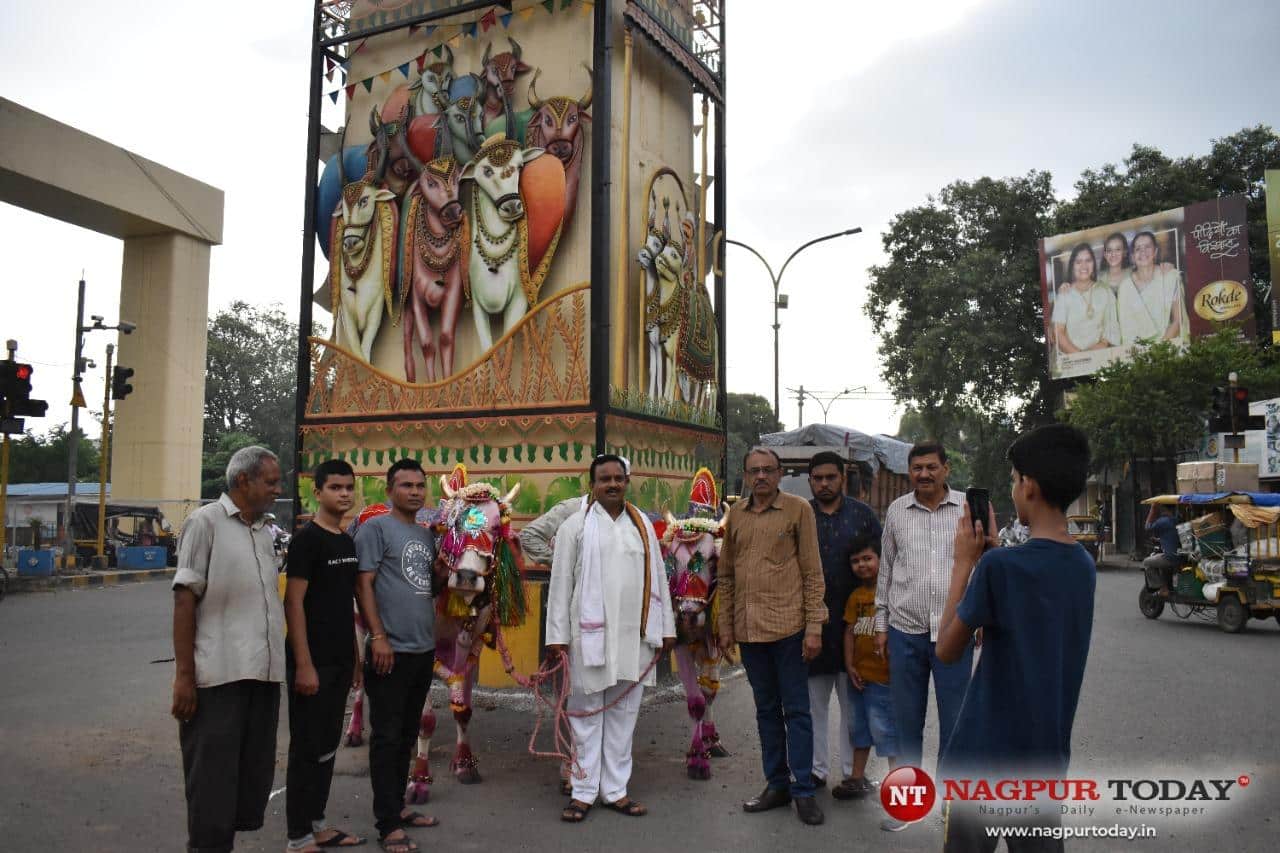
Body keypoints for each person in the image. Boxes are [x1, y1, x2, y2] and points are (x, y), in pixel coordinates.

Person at [937, 424, 1096, 851]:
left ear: (1029, 486)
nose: (1011, 489)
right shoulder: (1082, 564)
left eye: (1012, 479)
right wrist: (991, 559)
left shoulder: (998, 569)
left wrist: (963, 563)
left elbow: (948, 650)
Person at [545, 454, 676, 823]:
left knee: (623, 715)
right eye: (605, 479)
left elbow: (659, 580)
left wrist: (666, 627)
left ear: (627, 482)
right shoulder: (576, 527)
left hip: (633, 638)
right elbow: (560, 584)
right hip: (587, 639)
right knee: (586, 715)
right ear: (593, 484)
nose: (613, 484)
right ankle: (584, 790)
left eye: (619, 478)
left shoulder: (643, 527)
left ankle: (615, 791)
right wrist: (556, 636)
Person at [171, 446, 286, 853]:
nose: (278, 489)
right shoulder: (205, 523)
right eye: (270, 482)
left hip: (263, 675)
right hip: (218, 676)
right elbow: (185, 600)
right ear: (243, 481)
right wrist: (185, 677)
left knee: (248, 783)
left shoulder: (264, 530)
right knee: (212, 787)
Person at [718, 447, 828, 826]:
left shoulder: (799, 510)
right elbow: (727, 575)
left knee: (796, 710)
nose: (761, 477)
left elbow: (813, 573)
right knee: (766, 710)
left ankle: (803, 791)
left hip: (789, 630)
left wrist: (814, 626)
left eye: (768, 470)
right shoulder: (735, 515)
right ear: (746, 476)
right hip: (750, 631)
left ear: (780, 473)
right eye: (754, 471)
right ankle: (777, 785)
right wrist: (725, 625)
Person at [873, 443, 973, 803]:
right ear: (909, 472)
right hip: (905, 631)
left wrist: (982, 621)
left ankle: (951, 805)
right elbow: (886, 570)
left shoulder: (968, 508)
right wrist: (881, 626)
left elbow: (984, 567)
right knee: (906, 724)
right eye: (917, 468)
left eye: (932, 467)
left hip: (955, 633)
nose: (924, 474)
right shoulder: (897, 512)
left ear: (946, 469)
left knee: (956, 721)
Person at [354, 459, 440, 853]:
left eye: (420, 485)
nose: (415, 492)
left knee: (406, 735)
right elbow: (364, 584)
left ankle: (398, 806)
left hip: (422, 650)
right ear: (389, 490)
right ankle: (387, 823)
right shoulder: (375, 529)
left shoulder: (425, 535)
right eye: (406, 485)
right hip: (390, 651)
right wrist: (379, 636)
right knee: (386, 738)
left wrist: (442, 569)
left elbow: (429, 587)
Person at [283, 459, 364, 852]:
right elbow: (293, 603)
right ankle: (298, 837)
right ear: (317, 492)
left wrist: (355, 658)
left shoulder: (346, 541)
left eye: (348, 487)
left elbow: (345, 605)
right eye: (335, 487)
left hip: (339, 660)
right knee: (306, 747)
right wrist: (303, 663)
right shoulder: (306, 540)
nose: (344, 494)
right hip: (310, 662)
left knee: (328, 746)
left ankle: (318, 824)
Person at [805, 451, 882, 792]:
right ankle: (816, 771)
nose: (824, 483)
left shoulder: (863, 516)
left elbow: (882, 565)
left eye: (830, 477)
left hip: (856, 628)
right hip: (811, 627)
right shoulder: (801, 514)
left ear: (842, 477)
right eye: (818, 478)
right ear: (811, 480)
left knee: (853, 707)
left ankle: (854, 773)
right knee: (812, 706)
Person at [835, 534, 898, 804]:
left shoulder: (893, 593)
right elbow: (850, 631)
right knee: (858, 729)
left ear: (881, 560)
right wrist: (849, 665)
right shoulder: (856, 597)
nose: (862, 565)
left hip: (885, 679)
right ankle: (856, 779)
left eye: (867, 559)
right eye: (855, 561)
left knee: (886, 730)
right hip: (858, 678)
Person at [1118, 230, 1186, 348]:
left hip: (1168, 346)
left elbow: (1178, 320)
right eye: (1138, 249)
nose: (1143, 252)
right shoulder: (1125, 287)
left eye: (1147, 247)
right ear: (1133, 256)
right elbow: (1126, 330)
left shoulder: (1170, 276)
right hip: (1137, 352)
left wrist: (1159, 350)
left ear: (1155, 251)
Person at [1052, 243, 1120, 357]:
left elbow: (1109, 333)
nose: (1084, 266)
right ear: (1072, 266)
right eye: (1078, 262)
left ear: (1094, 263)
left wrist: (1089, 356)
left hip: (1100, 357)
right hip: (1070, 361)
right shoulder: (1064, 293)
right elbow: (1058, 332)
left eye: (1088, 260)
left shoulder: (1105, 291)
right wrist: (1080, 357)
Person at [1142, 503, 1183, 598]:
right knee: (1159, 559)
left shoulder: (1164, 521)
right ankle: (1169, 585)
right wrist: (1159, 540)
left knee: (1146, 562)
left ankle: (1163, 588)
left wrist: (1152, 509)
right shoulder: (1176, 520)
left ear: (1163, 508)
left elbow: (1147, 526)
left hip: (1171, 557)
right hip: (1180, 556)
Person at [1098, 232, 1132, 296]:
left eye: (1118, 249)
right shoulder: (1098, 280)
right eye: (1109, 250)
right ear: (1105, 254)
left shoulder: (1133, 274)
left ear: (1124, 252)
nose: (1113, 254)